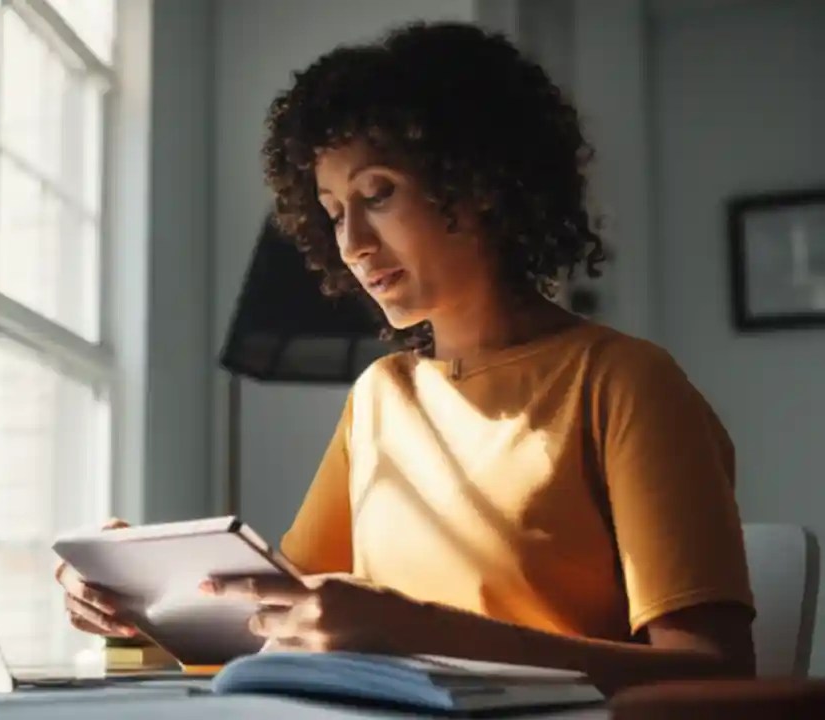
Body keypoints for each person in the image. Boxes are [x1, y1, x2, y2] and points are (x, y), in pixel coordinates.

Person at [55, 21, 756, 695]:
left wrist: (417, 631)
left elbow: (716, 672)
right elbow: (273, 618)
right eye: (333, 211)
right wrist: (133, 598)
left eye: (377, 194)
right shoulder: (380, 396)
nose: (353, 242)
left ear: (478, 182)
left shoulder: (623, 383)